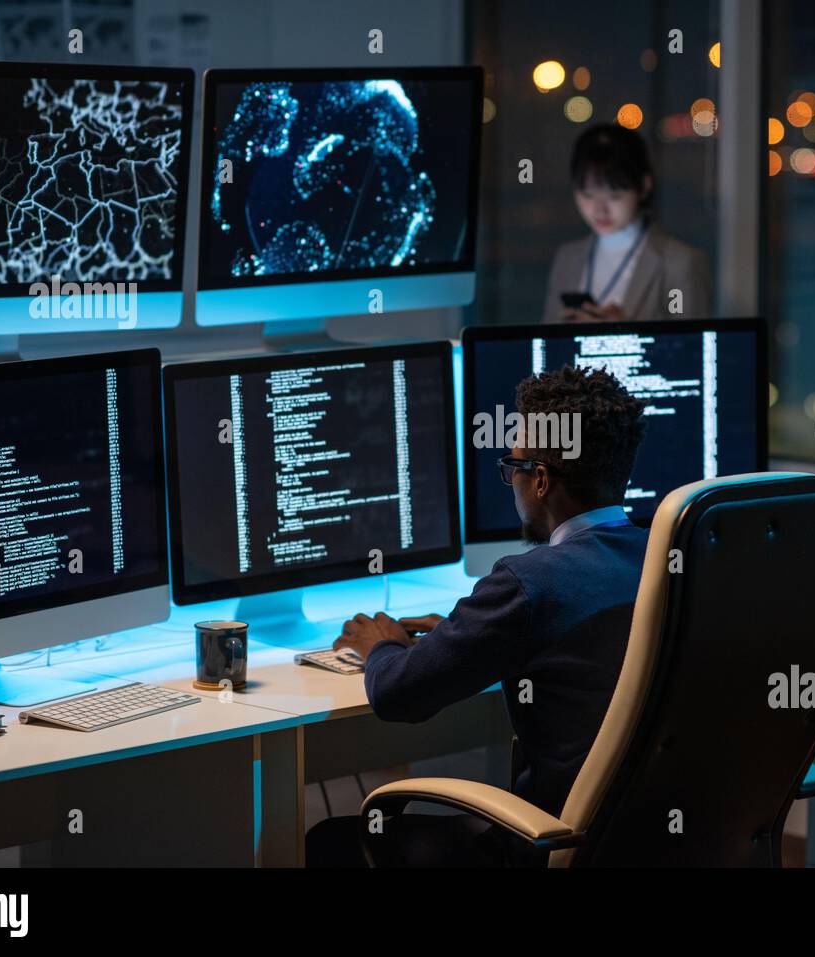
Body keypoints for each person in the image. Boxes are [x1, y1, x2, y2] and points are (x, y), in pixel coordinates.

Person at [304, 366, 649, 867]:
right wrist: (466, 627)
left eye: (513, 466)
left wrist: (382, 643)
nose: (511, 480)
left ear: (541, 481)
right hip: (651, 839)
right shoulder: (670, 559)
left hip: (553, 841)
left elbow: (398, 694)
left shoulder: (529, 583)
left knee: (332, 842)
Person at [542, 123, 711, 324]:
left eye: (614, 196)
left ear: (644, 187)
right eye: (587, 195)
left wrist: (626, 331)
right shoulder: (567, 258)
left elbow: (692, 349)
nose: (599, 209)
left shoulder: (679, 263)